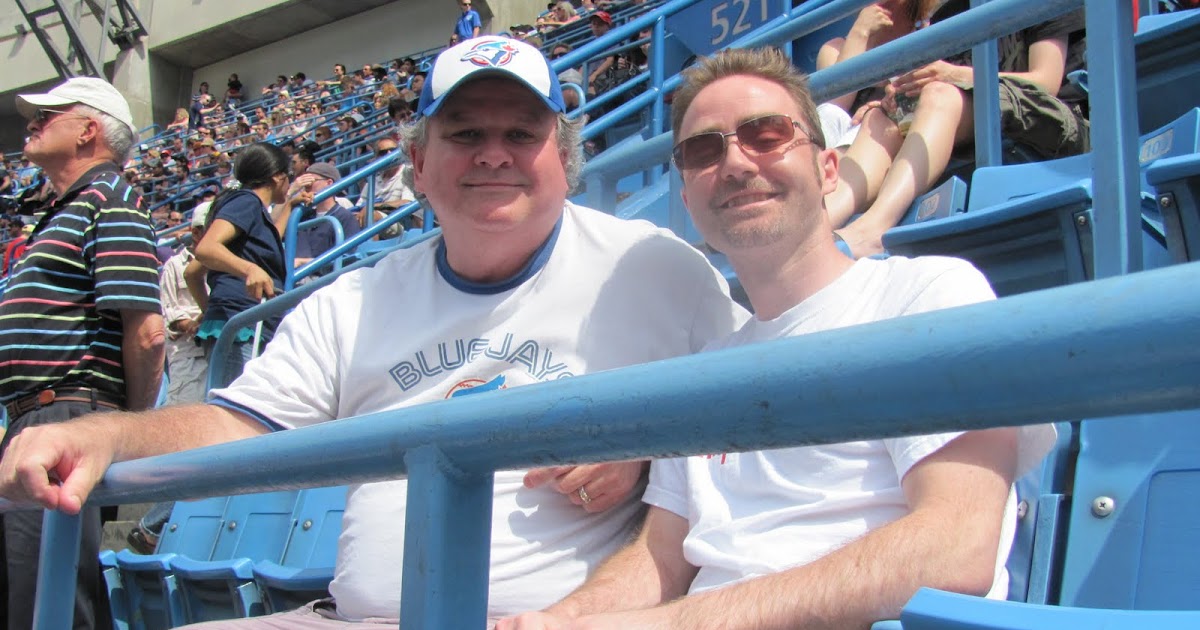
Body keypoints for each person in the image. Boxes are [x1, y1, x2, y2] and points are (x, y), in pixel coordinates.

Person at [0, 36, 746, 628]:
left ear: (565, 158)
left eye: (522, 132)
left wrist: (652, 448)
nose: (494, 152)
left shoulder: (652, 267)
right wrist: (106, 435)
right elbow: (236, 422)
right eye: (465, 132)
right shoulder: (352, 300)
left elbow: (762, 403)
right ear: (417, 163)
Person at [498, 46, 1055, 630]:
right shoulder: (705, 371)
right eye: (704, 150)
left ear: (828, 170)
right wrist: (554, 621)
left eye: (766, 134)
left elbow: (954, 546)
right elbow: (659, 561)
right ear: (686, 200)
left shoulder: (927, 295)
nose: (736, 163)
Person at [0, 76, 165, 630]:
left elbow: (146, 334)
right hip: (32, 417)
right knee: (22, 594)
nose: (32, 124)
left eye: (48, 115)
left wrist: (124, 430)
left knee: (45, 599)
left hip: (67, 415)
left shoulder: (109, 198)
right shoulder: (63, 208)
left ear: (89, 129)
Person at [829, 1, 1088, 257]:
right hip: (971, 109)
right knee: (881, 116)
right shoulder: (951, 12)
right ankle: (824, 223)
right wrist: (901, 97)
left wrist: (956, 76)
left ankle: (875, 228)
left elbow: (1046, 82)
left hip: (1048, 116)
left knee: (939, 93)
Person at [191, 142, 308, 379]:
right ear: (277, 177)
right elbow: (206, 248)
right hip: (243, 322)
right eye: (289, 176)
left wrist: (210, 310)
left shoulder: (248, 208)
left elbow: (192, 272)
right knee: (235, 412)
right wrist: (250, 269)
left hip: (234, 320)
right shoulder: (247, 202)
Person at [293, 162, 362, 270]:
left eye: (311, 181)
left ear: (329, 183)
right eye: (304, 182)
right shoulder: (301, 215)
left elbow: (347, 258)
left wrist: (303, 262)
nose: (306, 186)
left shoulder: (345, 217)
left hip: (326, 281)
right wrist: (291, 193)